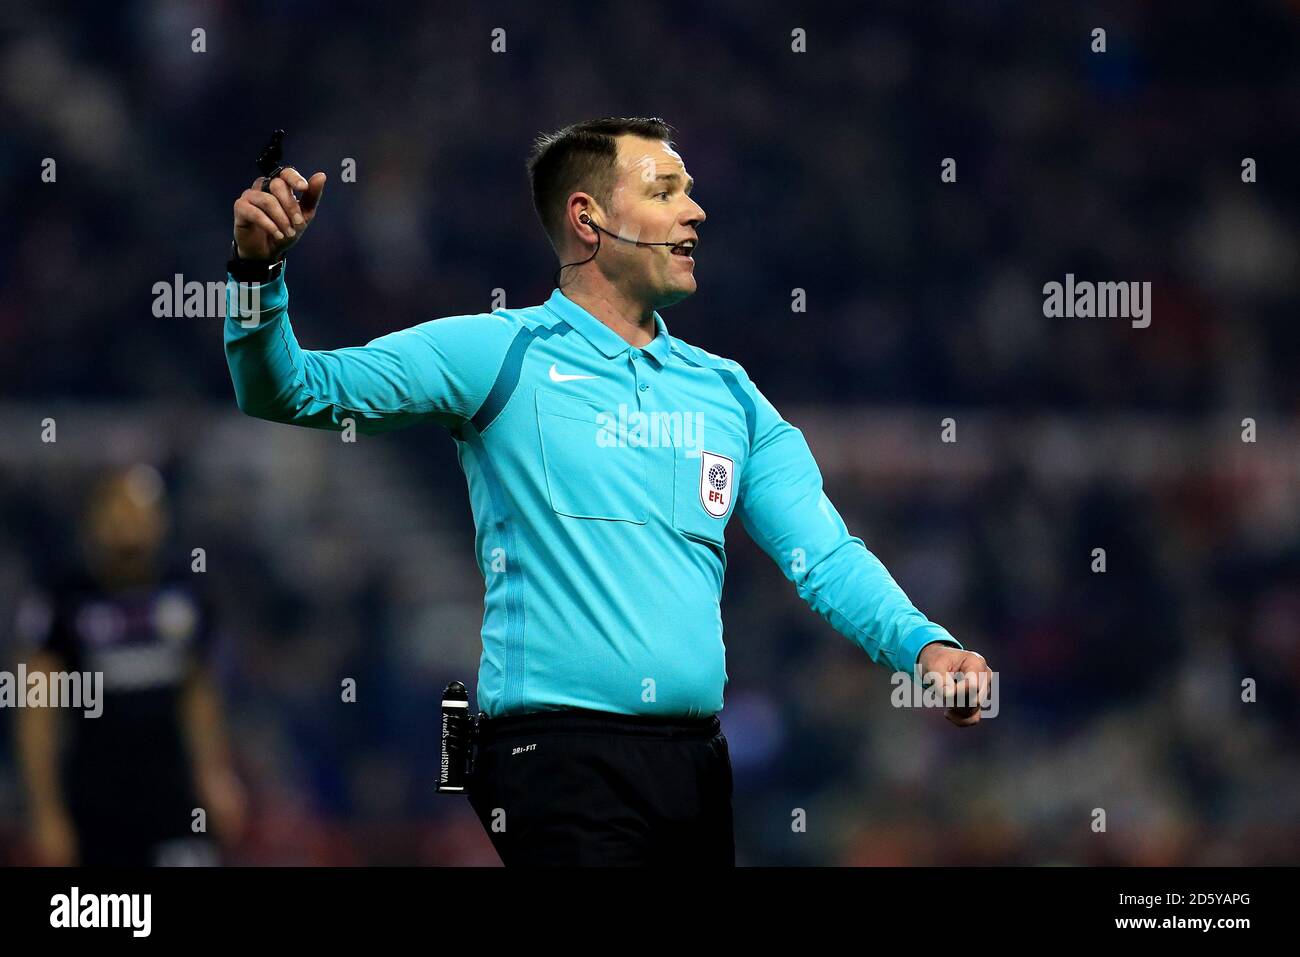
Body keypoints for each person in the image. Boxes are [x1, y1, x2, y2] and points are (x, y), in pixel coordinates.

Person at [222, 116, 991, 866]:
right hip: (555, 755)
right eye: (665, 191)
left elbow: (822, 553)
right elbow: (291, 389)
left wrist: (924, 644)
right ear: (588, 219)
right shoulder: (497, 353)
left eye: (689, 191)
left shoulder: (731, 395)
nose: (696, 209)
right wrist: (259, 277)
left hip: (695, 764)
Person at [14, 465, 247, 866]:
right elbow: (37, 712)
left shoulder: (186, 597)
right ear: (95, 520)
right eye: (118, 512)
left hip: (174, 801)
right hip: (93, 803)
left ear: (161, 521)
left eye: (140, 513)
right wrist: (45, 810)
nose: (129, 527)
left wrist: (215, 774)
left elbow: (199, 696)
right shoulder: (62, 602)